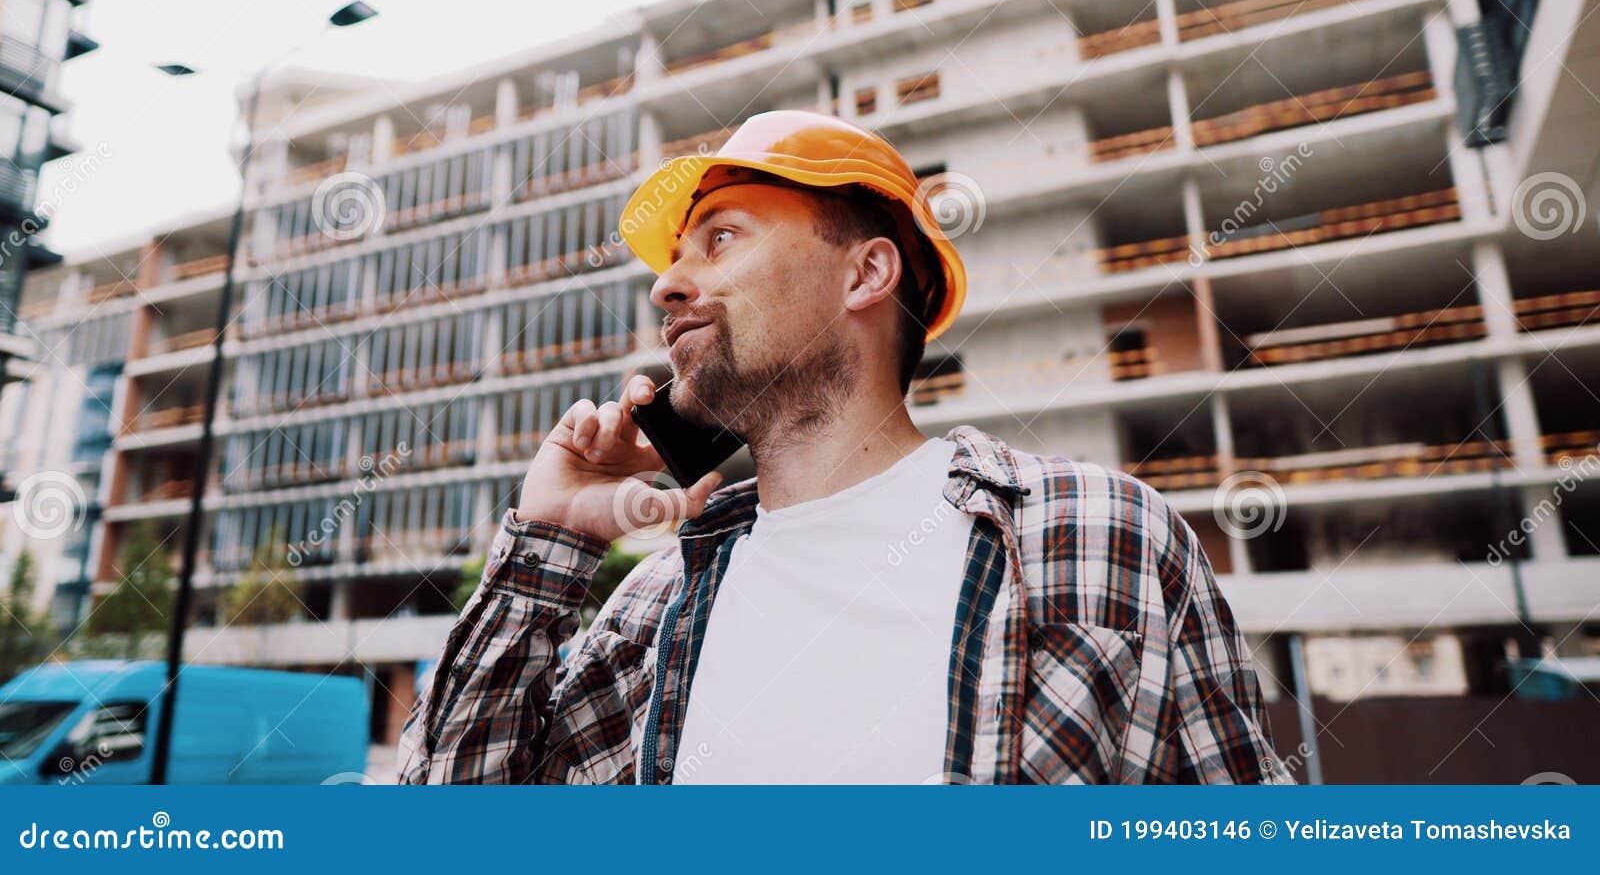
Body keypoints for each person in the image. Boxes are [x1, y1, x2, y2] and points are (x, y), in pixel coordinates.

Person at [398, 110, 1291, 784]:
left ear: (865, 272)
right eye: (675, 258)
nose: (668, 285)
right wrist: (550, 537)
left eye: (721, 238)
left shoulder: (1097, 537)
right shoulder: (652, 603)